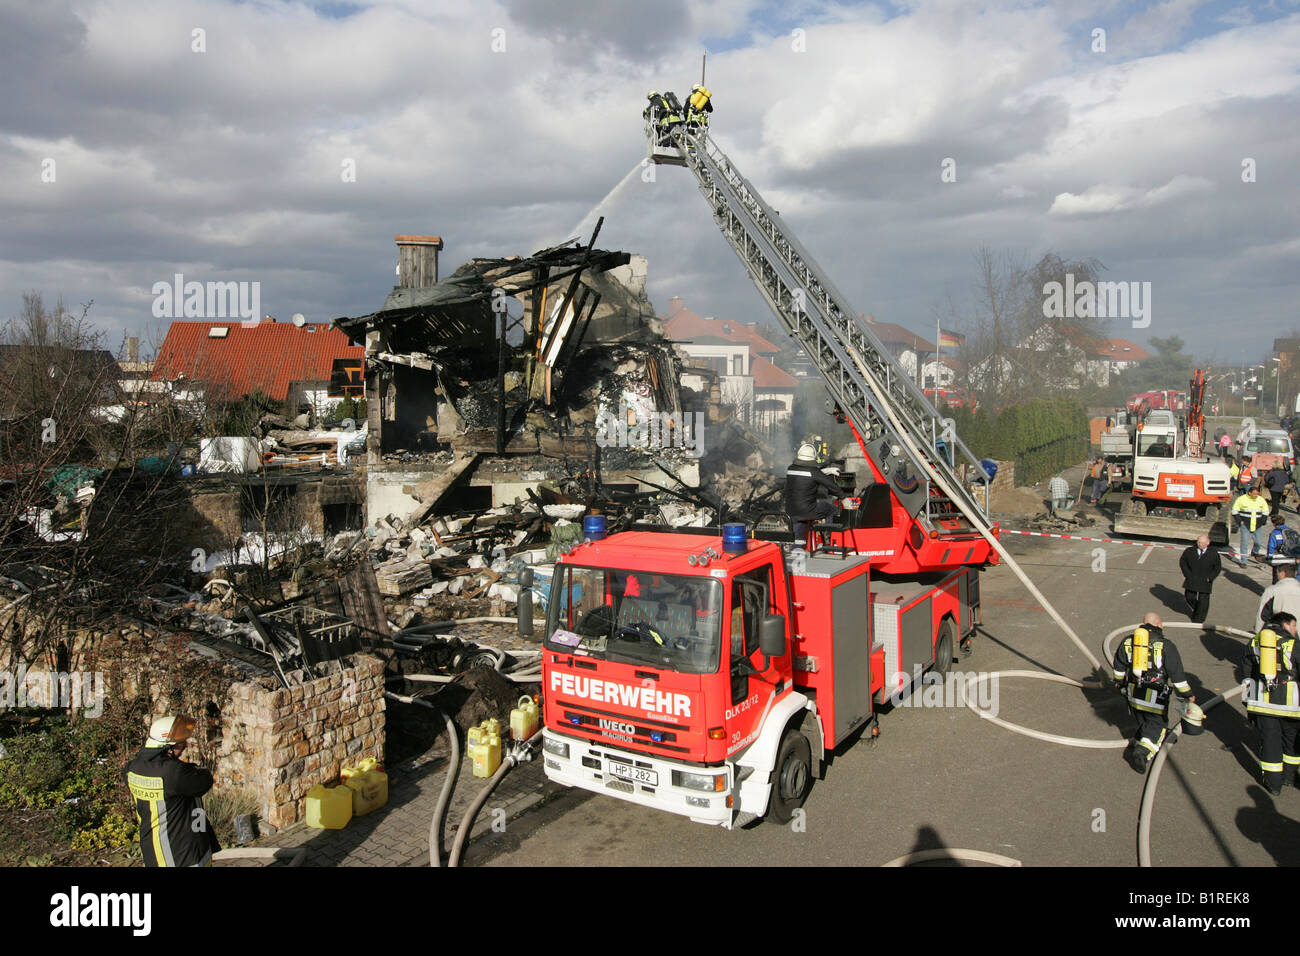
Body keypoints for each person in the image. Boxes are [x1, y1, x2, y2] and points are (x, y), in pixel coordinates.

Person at [122, 715, 220, 867]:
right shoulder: (174, 773)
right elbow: (204, 781)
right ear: (168, 748)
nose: (185, 746)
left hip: (152, 852)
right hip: (183, 854)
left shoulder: (131, 769)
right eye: (181, 744)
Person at [1112, 613, 1194, 774]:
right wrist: (1187, 695)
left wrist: (1119, 684)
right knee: (1158, 724)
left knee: (1143, 719)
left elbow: (1119, 666)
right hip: (1155, 695)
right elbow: (1178, 676)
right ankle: (1142, 752)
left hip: (1133, 692)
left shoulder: (1128, 641)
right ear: (1159, 625)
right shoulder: (1166, 646)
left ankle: (1141, 738)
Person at [1242, 611, 1299, 795]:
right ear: (1285, 625)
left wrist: (1248, 704)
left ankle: (1274, 785)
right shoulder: (1294, 644)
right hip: (1291, 705)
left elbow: (1246, 675)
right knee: (1291, 742)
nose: (1296, 629)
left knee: (1270, 742)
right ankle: (1289, 777)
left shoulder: (1254, 642)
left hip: (1262, 703)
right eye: (1294, 625)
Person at [785, 441, 845, 541]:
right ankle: (829, 538)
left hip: (791, 510)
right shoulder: (813, 472)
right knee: (832, 509)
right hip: (808, 510)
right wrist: (844, 498)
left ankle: (798, 545)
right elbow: (830, 485)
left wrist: (828, 470)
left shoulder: (790, 469)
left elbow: (808, 475)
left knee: (800, 528)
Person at [1179, 534, 1221, 623]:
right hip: (1192, 578)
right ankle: (1198, 610)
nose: (1200, 544)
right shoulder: (1190, 551)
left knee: (1203, 600)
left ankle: (1199, 619)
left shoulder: (1213, 553)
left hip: (1205, 580)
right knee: (1189, 597)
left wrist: (1210, 578)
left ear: (1208, 543)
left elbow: (1217, 567)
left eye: (1202, 543)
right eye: (1198, 542)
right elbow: (1183, 562)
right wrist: (1187, 574)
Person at [1232, 483, 1270, 567]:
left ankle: (1255, 552)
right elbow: (1234, 511)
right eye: (1255, 494)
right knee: (1244, 543)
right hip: (1245, 525)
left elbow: (1265, 511)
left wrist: (1263, 521)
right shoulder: (1241, 499)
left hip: (1257, 525)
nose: (1256, 495)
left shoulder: (1261, 500)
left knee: (1258, 542)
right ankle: (1244, 561)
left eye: (1257, 494)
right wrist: (1240, 521)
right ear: (1249, 493)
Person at [1257, 561, 1300, 633]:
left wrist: (1258, 633)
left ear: (1282, 573)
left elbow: (1262, 616)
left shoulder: (1272, 590)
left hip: (1279, 635)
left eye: (1277, 573)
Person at [1266, 514, 1300, 584]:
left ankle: (1276, 593)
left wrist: (1269, 557)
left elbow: (1271, 546)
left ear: (1274, 524)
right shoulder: (1292, 532)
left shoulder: (1274, 533)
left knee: (1277, 578)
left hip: (1279, 559)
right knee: (1290, 578)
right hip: (1292, 558)